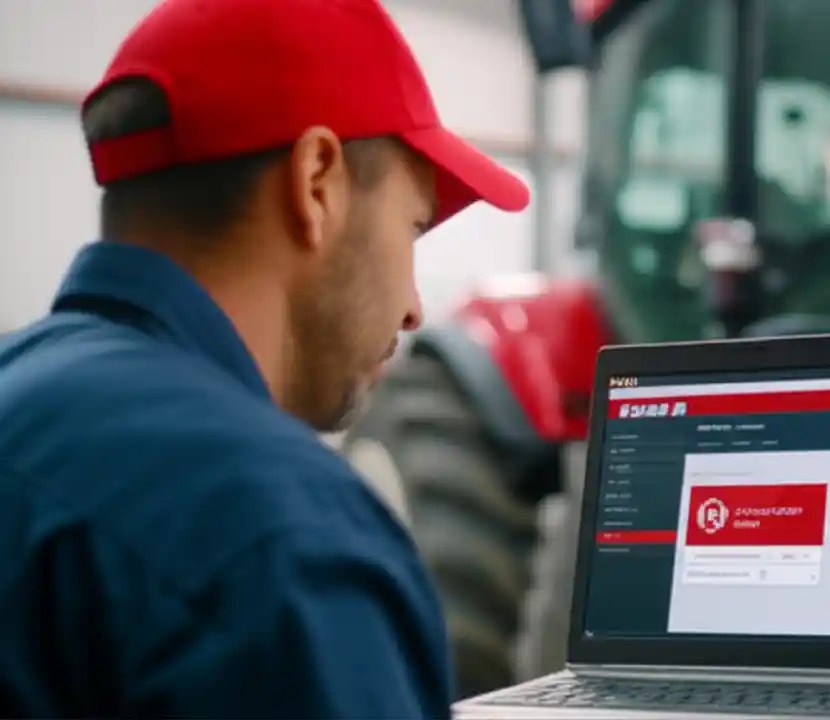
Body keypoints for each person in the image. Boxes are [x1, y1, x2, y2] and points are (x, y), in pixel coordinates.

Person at [0, 0, 528, 716]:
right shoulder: (276, 536)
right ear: (317, 183)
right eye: (414, 226)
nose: (413, 307)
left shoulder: (19, 397)